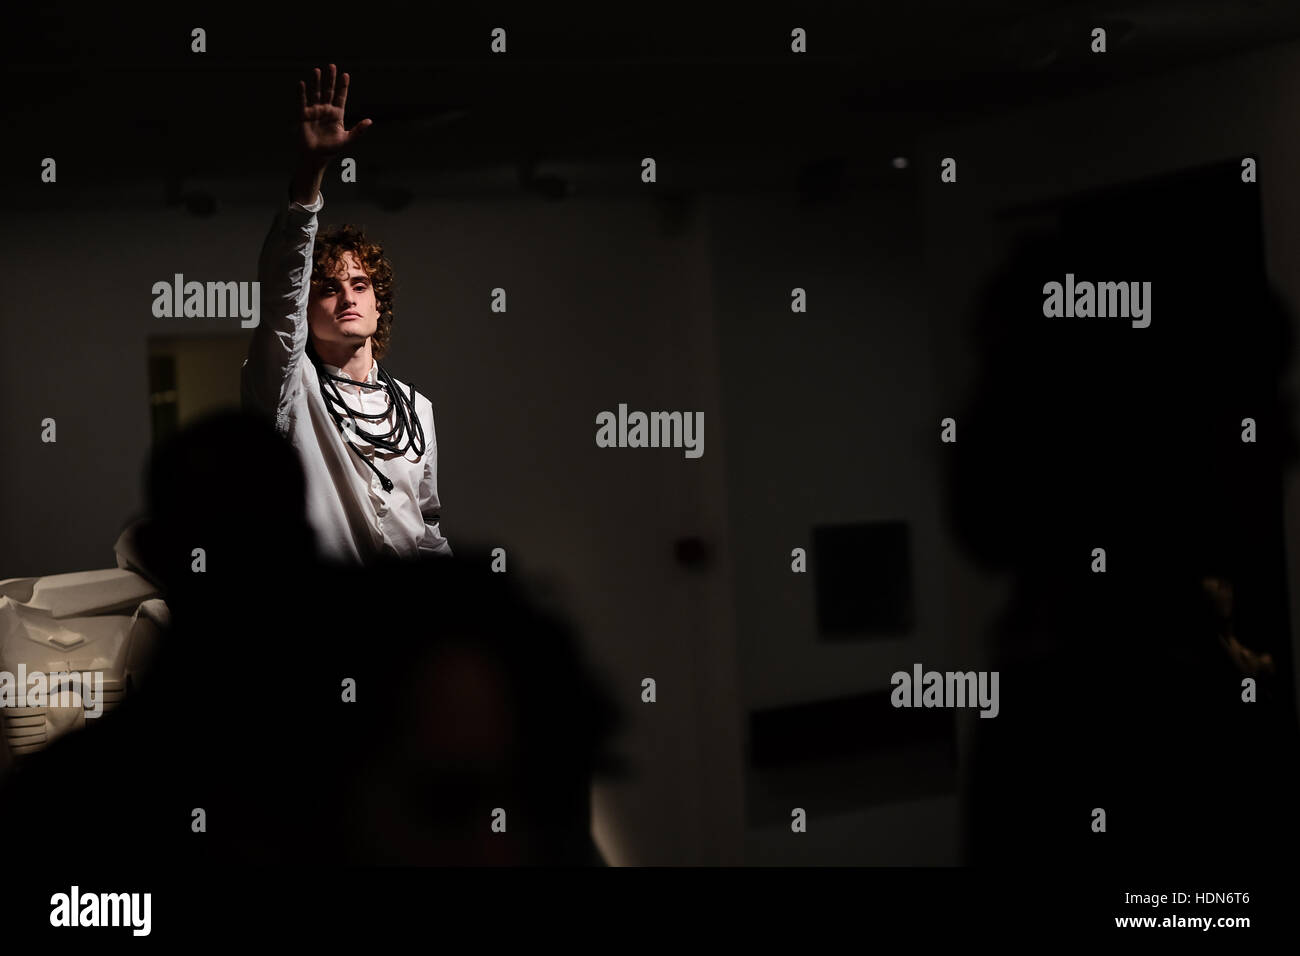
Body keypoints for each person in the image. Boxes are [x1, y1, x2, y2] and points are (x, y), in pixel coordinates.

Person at [242, 63, 452, 565]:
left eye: (360, 285)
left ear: (379, 303)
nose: (347, 298)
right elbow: (281, 292)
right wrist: (310, 174)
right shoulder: (291, 391)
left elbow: (426, 527)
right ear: (307, 308)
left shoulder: (414, 407)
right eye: (328, 289)